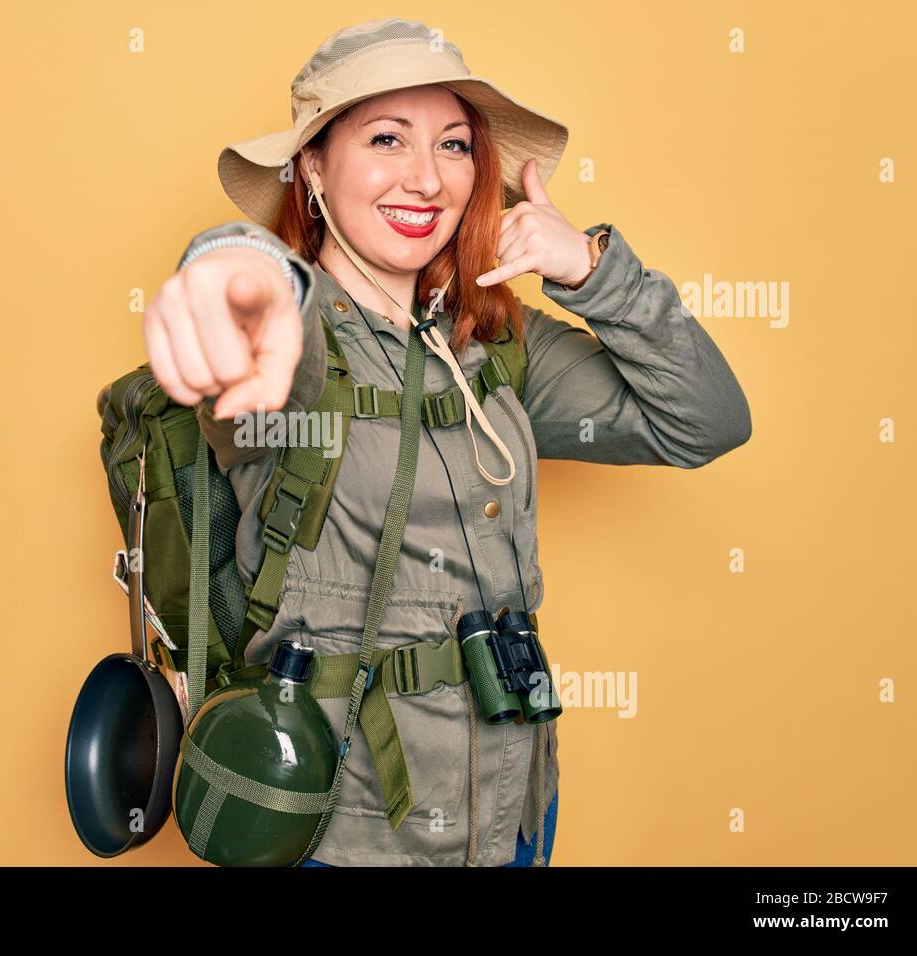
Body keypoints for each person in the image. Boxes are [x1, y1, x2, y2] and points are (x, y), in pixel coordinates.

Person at [142, 17, 751, 866]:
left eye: (454, 145)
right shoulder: (295, 342)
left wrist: (592, 270)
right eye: (386, 138)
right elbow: (249, 305)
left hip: (514, 811)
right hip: (351, 829)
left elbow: (707, 420)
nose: (426, 178)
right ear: (311, 166)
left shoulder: (495, 344)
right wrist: (240, 273)